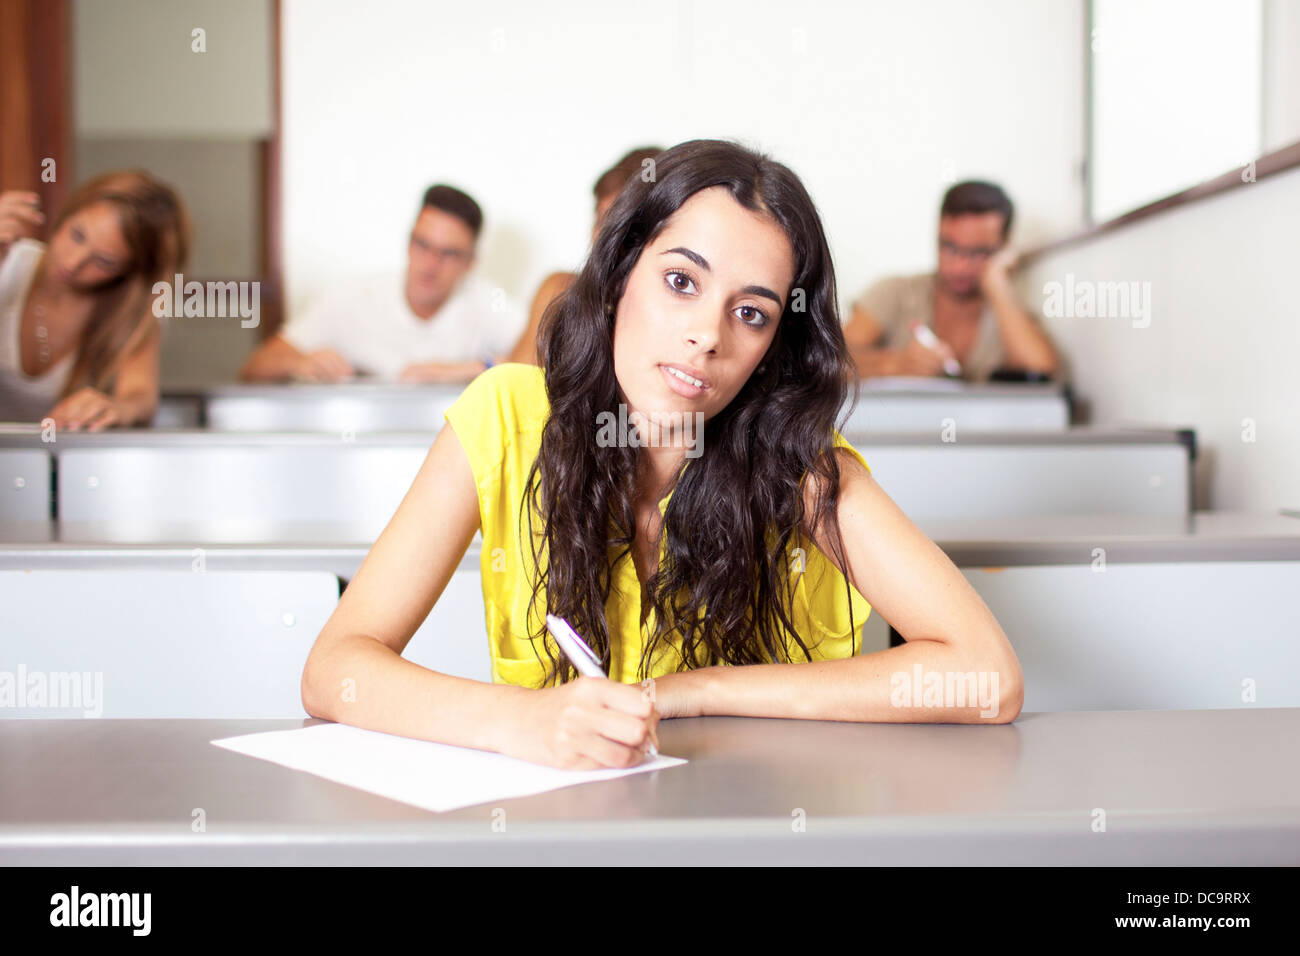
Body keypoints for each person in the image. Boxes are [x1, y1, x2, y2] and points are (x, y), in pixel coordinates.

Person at [301, 140, 1023, 771]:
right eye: (681, 282)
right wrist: (524, 720)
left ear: (775, 345)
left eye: (751, 313)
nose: (707, 336)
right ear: (620, 275)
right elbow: (336, 670)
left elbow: (986, 677)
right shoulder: (505, 416)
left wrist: (688, 694)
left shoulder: (803, 469)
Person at [239, 184, 525, 383]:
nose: (430, 264)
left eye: (448, 253)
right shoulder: (352, 298)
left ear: (470, 261)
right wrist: (299, 363)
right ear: (408, 241)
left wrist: (452, 371)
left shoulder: (487, 302)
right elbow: (255, 366)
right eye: (422, 245)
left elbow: (548, 362)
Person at [0, 171, 190, 428]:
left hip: (49, 462)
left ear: (129, 272)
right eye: (77, 235)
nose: (72, 262)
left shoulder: (131, 314)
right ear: (69, 213)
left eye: (104, 262)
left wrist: (117, 408)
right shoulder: (9, 261)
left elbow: (139, 397)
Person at [843, 180, 1060, 380]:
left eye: (979, 252)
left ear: (1003, 250)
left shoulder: (1008, 312)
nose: (960, 266)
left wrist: (998, 286)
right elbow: (829, 364)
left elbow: (1042, 373)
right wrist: (892, 364)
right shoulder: (895, 292)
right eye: (950, 248)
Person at [506, 146, 662, 365]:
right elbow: (515, 382)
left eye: (623, 224)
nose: (605, 236)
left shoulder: (671, 314)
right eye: (601, 220)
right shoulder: (560, 290)